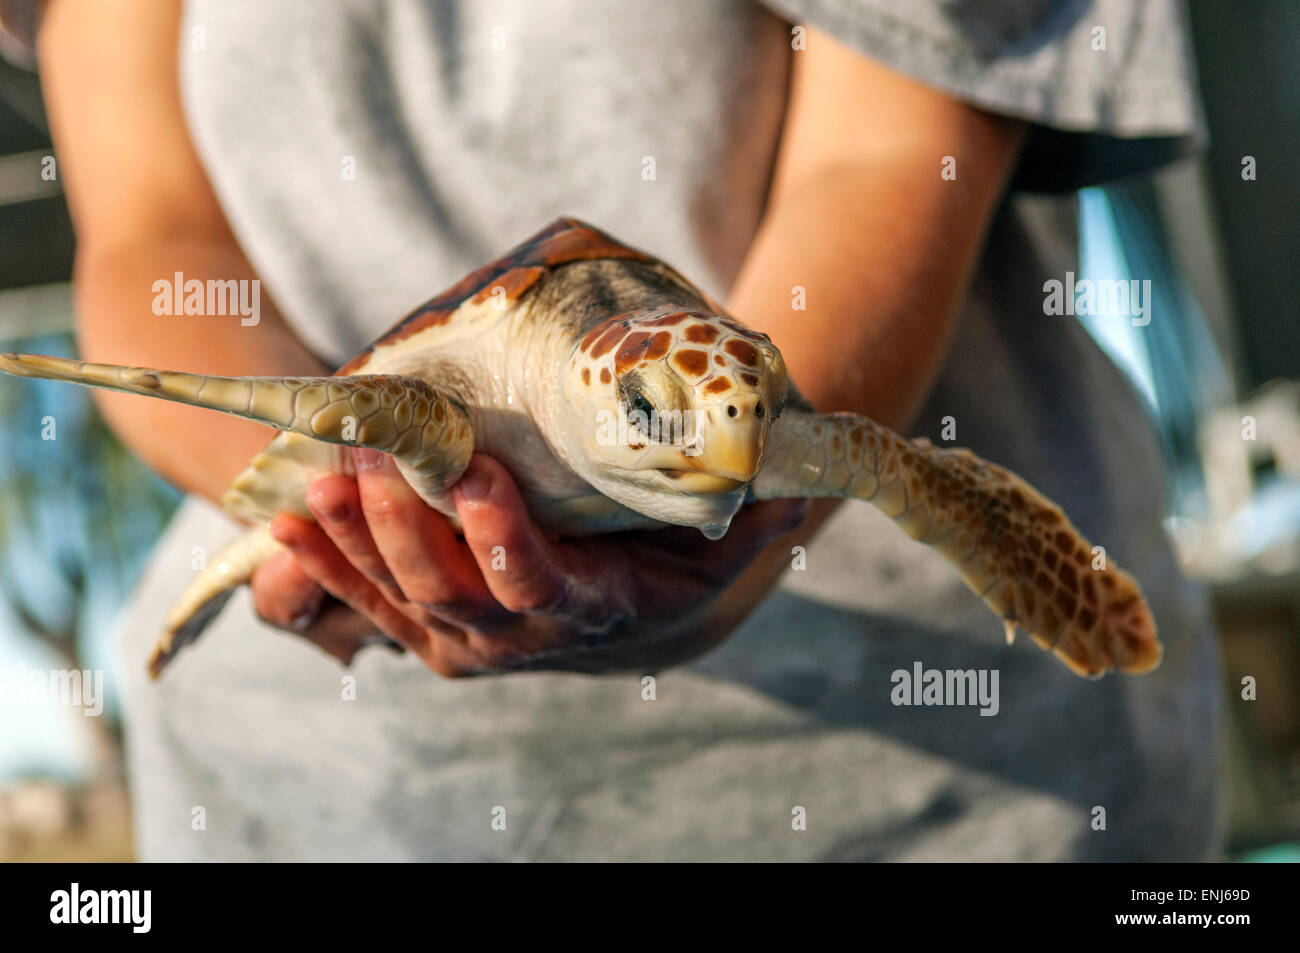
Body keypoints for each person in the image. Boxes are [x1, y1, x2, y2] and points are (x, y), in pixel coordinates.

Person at [10, 0, 1221, 860]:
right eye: (703, 418)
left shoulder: (749, 425)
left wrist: (739, 539)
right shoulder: (422, 413)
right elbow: (150, 236)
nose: (735, 447)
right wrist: (325, 525)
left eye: (746, 411)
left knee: (871, 455)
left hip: (948, 795)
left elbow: (882, 153)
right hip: (330, 799)